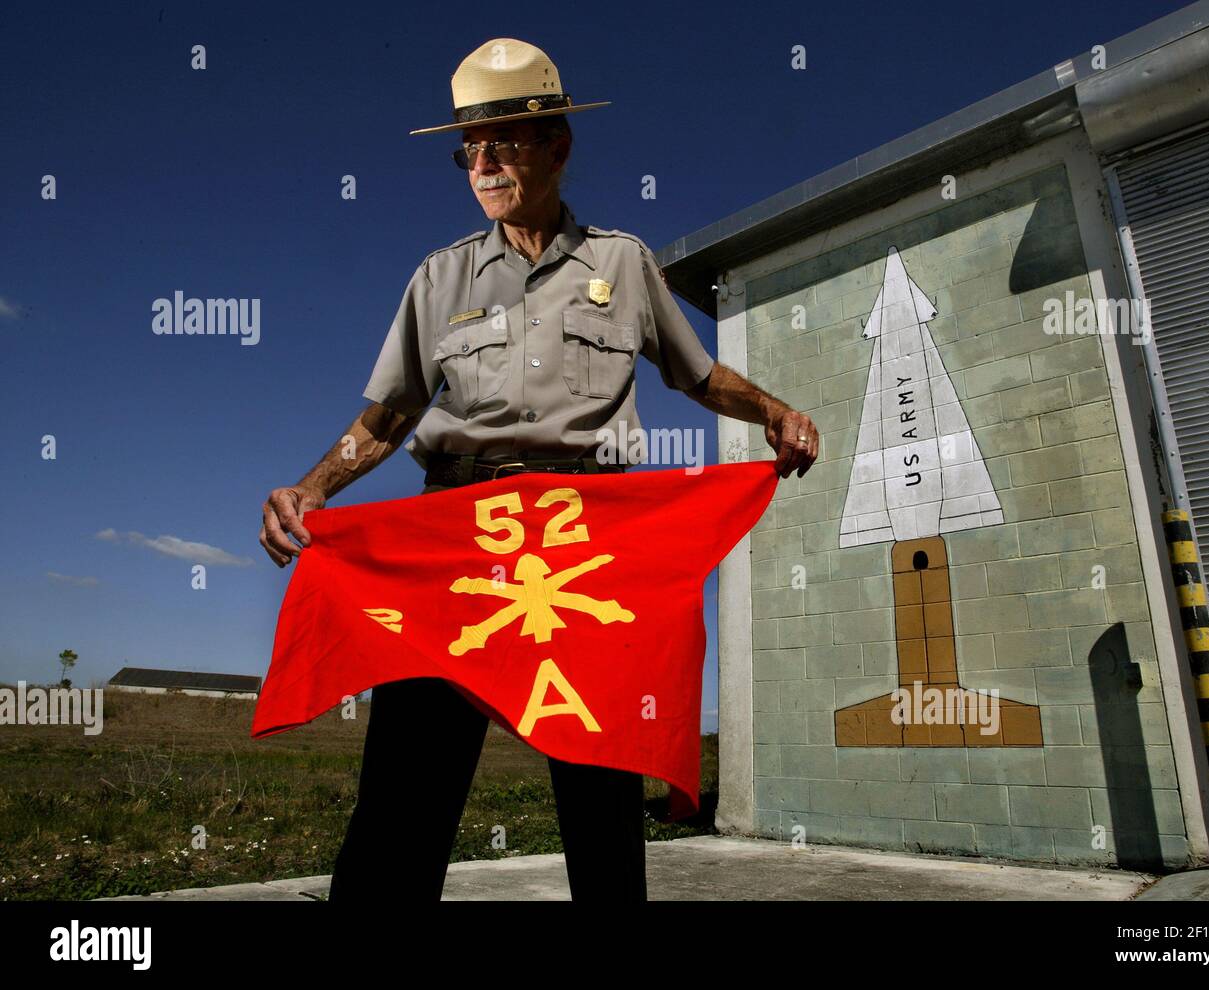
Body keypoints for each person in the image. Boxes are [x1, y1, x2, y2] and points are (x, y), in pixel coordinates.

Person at [257, 37, 819, 902]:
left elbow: (698, 376)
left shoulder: (622, 264)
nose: (482, 163)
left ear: (557, 146)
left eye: (504, 141)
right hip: (456, 538)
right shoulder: (439, 278)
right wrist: (312, 487)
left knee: (599, 789)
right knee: (404, 794)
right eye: (468, 147)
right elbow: (388, 415)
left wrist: (774, 411)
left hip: (585, 538)